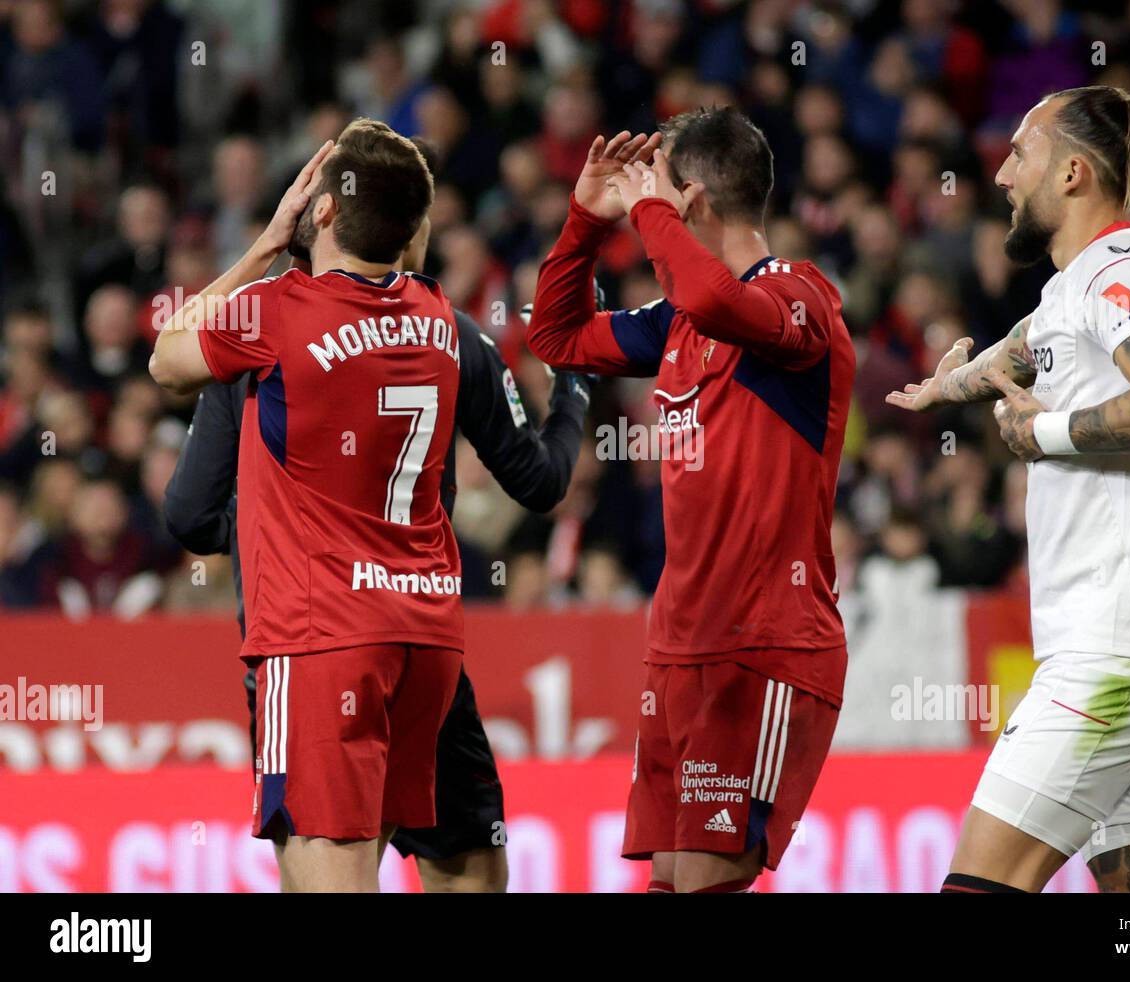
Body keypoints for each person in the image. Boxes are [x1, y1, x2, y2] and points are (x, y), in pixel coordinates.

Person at [887, 64, 1130, 893]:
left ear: (1072, 172)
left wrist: (1044, 433)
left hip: (1115, 652)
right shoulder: (1078, 287)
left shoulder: (1126, 267)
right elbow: (1019, 351)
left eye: (1019, 155)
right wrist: (946, 387)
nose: (999, 174)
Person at [526, 108, 856, 893]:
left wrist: (646, 217)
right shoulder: (680, 318)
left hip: (764, 645)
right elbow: (556, 337)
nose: (646, 198)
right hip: (679, 648)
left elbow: (721, 303)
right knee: (673, 886)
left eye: (660, 184)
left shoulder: (800, 298)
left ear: (693, 199)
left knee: (709, 885)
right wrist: (582, 223)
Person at [151, 119, 464, 892]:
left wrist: (262, 244)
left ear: (320, 211)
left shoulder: (280, 310)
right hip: (425, 637)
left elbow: (166, 359)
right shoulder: (438, 316)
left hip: (323, 640)